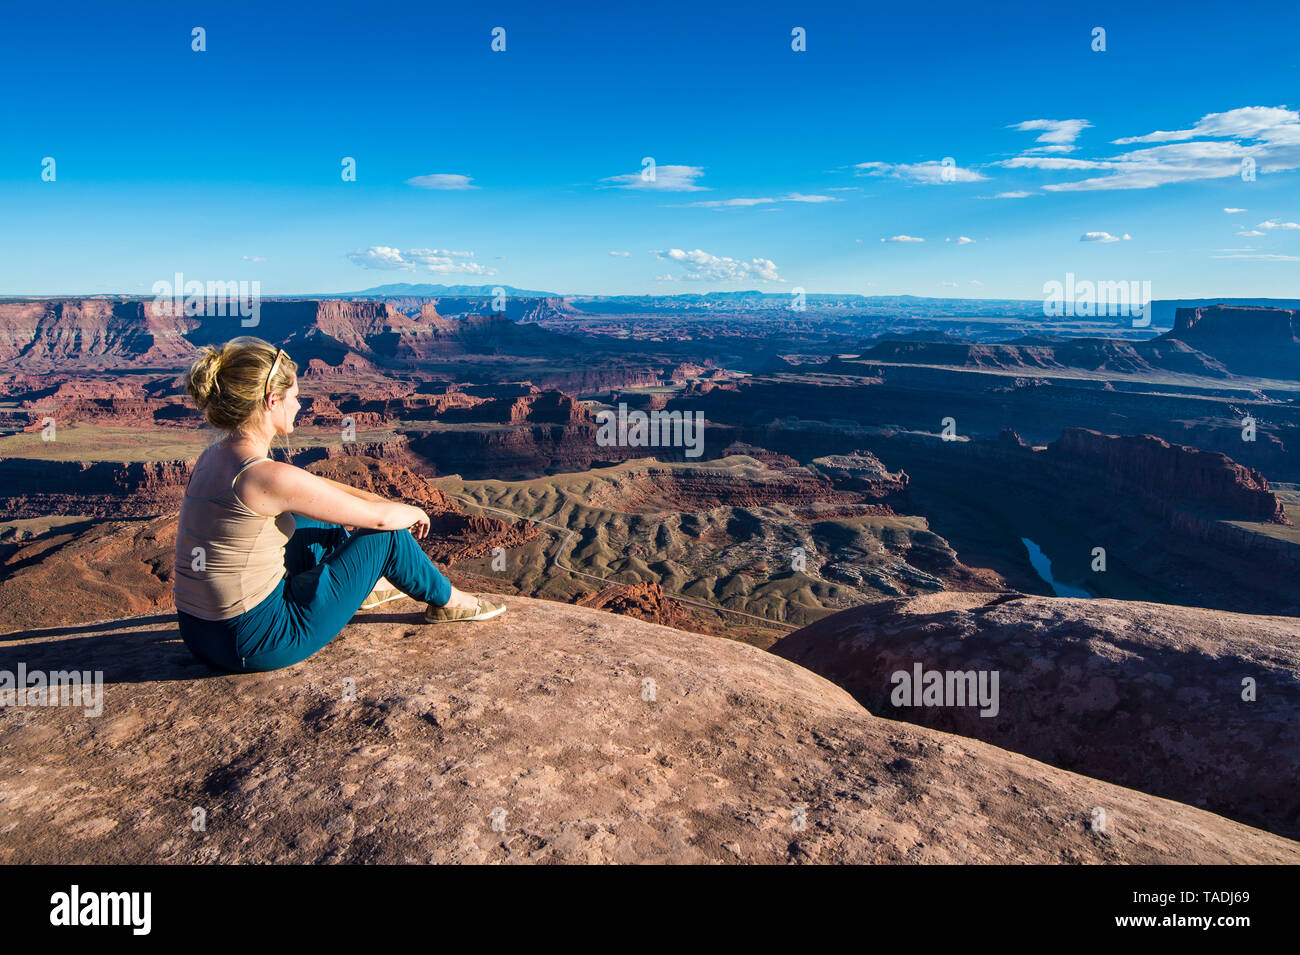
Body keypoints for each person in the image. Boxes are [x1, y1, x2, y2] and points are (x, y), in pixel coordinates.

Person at [172, 336, 505, 673]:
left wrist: (375, 497)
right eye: (295, 397)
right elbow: (379, 521)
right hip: (256, 641)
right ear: (272, 401)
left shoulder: (215, 456)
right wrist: (412, 512)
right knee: (385, 537)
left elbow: (313, 488)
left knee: (317, 522)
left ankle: (365, 588)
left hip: (200, 634)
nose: (300, 406)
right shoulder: (264, 477)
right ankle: (449, 602)